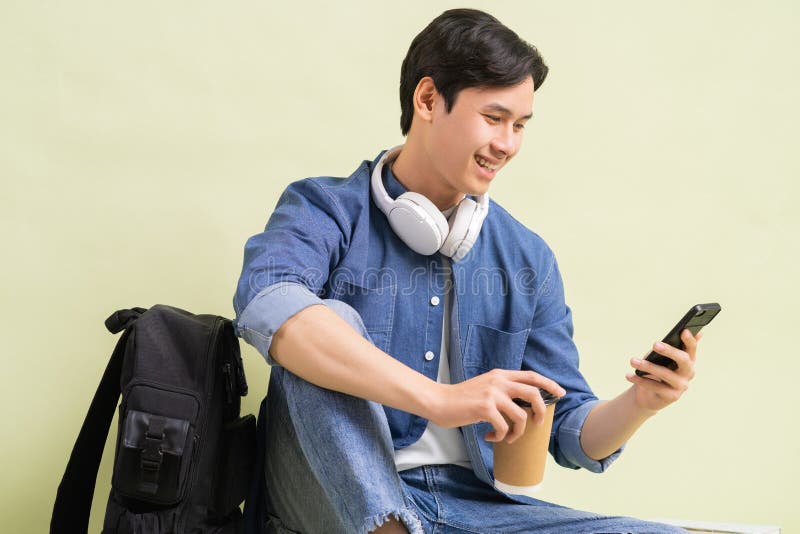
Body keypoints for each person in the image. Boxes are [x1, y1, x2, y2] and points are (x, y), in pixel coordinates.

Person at [233, 8, 701, 534]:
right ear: (428, 100)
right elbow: (269, 305)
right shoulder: (322, 207)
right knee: (322, 320)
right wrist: (441, 398)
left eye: (520, 125)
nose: (508, 144)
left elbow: (570, 431)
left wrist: (642, 402)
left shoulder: (527, 256)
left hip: (472, 505)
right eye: (494, 118)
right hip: (327, 494)